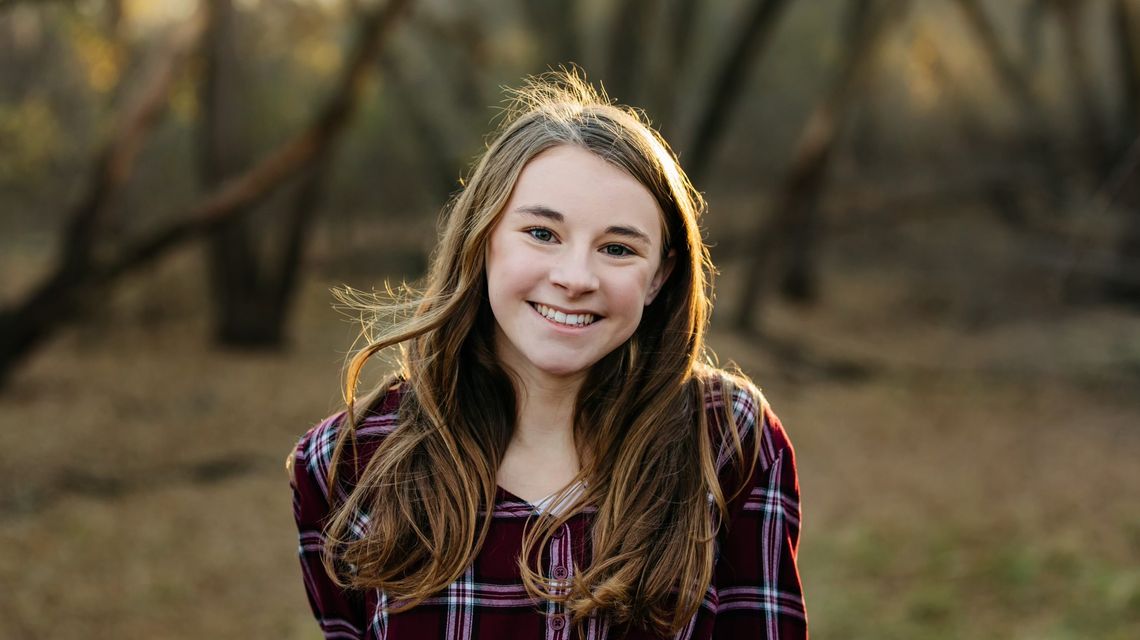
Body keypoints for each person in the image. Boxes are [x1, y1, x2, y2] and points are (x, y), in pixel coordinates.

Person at [288, 69, 807, 639]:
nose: (575, 277)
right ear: (483, 239)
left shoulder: (729, 440)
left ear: (659, 278)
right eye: (542, 233)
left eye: (616, 248)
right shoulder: (348, 462)